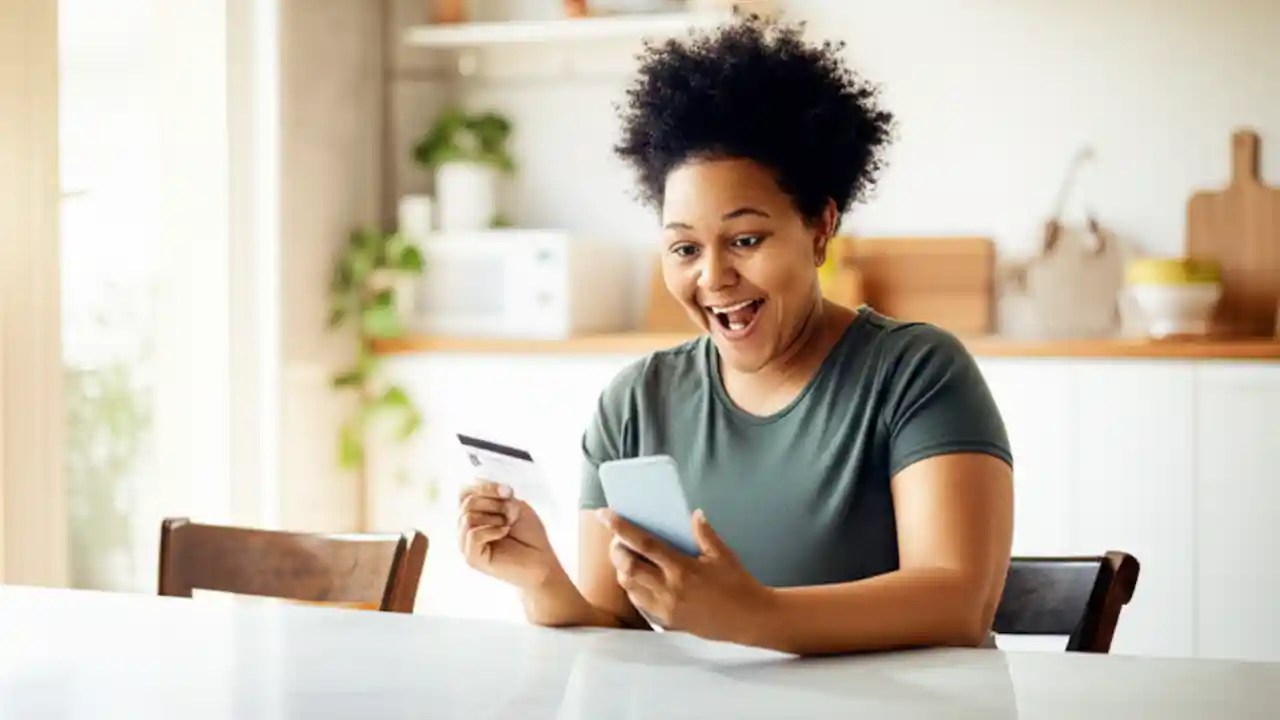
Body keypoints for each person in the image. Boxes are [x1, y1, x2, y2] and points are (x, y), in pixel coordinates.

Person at [456, 15, 1014, 656]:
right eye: (685, 247)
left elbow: (959, 602)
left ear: (820, 228)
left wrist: (754, 615)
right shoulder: (636, 403)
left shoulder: (916, 372)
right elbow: (615, 636)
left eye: (746, 240)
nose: (714, 275)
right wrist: (541, 580)